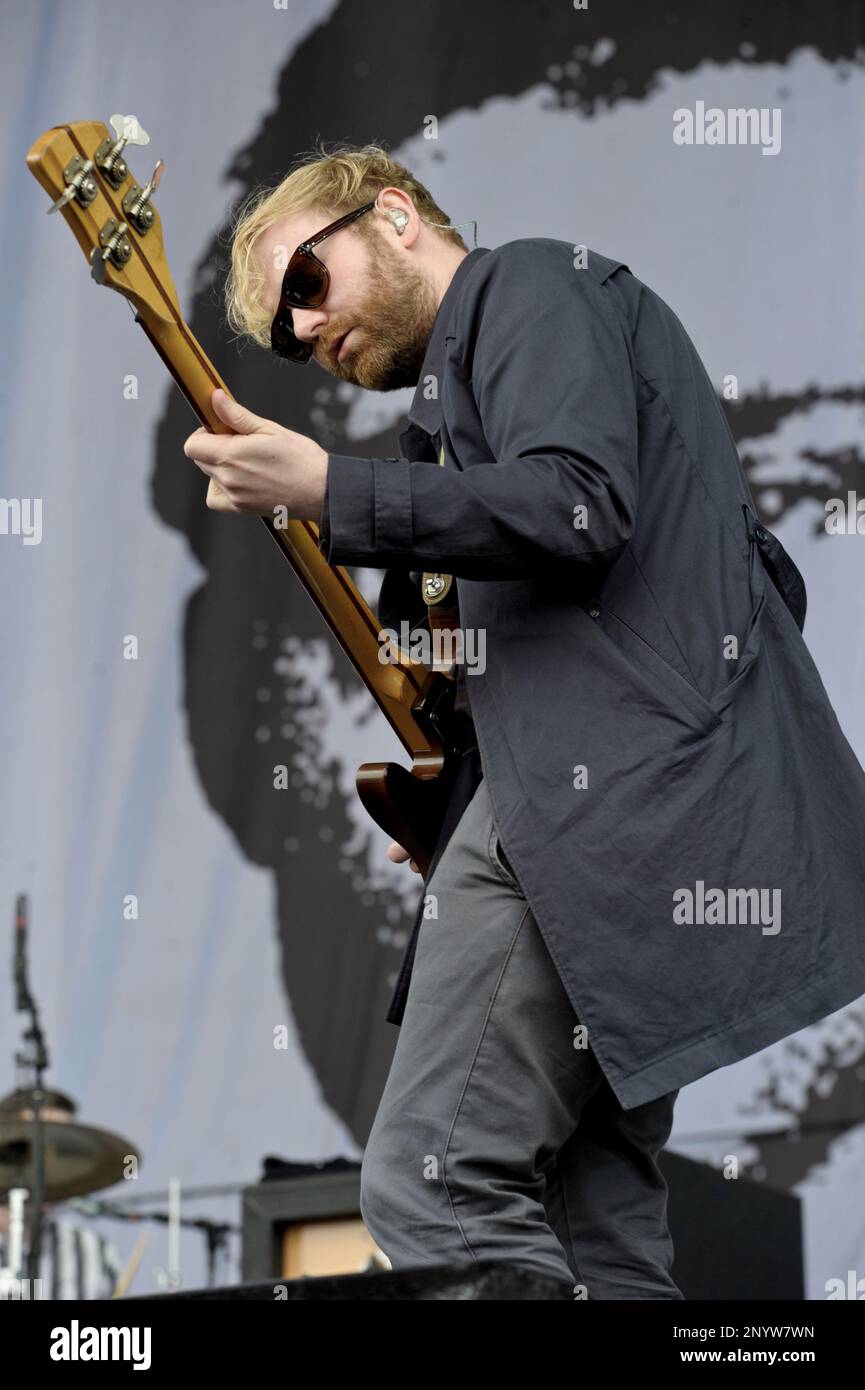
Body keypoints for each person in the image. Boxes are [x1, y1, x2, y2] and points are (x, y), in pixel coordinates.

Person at [183, 143, 865, 1299]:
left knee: (431, 1181)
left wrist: (325, 491)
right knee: (595, 1222)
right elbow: (505, 665)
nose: (304, 334)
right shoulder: (443, 433)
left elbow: (576, 502)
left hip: (605, 807)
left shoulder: (528, 286)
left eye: (306, 281)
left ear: (393, 214)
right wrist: (447, 804)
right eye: (282, 334)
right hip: (616, 829)